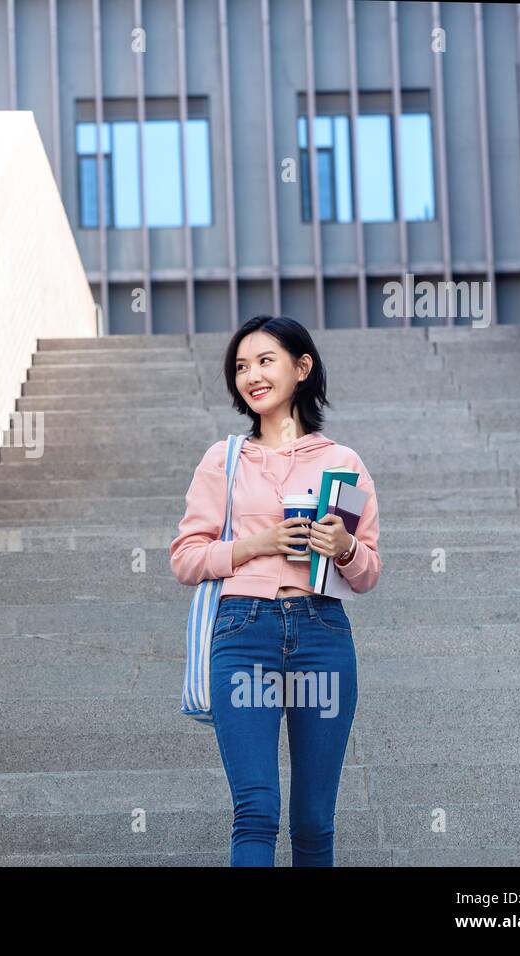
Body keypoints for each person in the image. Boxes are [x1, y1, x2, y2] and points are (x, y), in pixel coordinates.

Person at [169, 314, 383, 866]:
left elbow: (368, 574)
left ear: (302, 367)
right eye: (241, 366)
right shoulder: (224, 459)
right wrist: (256, 543)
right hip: (243, 633)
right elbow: (186, 559)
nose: (251, 375)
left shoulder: (343, 462)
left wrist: (345, 548)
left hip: (322, 633)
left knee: (313, 820)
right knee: (256, 811)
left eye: (265, 360)